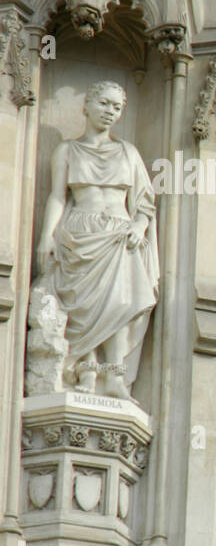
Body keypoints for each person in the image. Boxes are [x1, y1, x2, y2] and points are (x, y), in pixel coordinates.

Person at [35, 80, 158, 399]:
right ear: (86, 106)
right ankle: (86, 371)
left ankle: (114, 375)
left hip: (119, 234)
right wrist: (46, 237)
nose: (110, 112)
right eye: (104, 103)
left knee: (120, 301)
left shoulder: (128, 153)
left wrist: (139, 226)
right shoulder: (67, 150)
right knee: (81, 304)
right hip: (79, 232)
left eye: (117, 107)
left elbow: (145, 202)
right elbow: (58, 197)